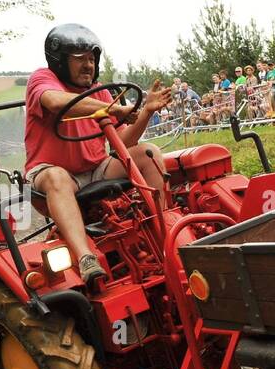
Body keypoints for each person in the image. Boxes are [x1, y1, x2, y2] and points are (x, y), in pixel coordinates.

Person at [24, 24, 171, 286]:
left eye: (91, 59)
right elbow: (57, 104)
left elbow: (123, 142)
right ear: (60, 61)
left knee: (148, 153)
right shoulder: (43, 79)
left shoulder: (99, 90)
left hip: (95, 167)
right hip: (51, 172)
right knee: (57, 177)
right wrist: (113, 109)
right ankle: (86, 258)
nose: (88, 66)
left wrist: (146, 112)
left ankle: (164, 234)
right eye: (80, 60)